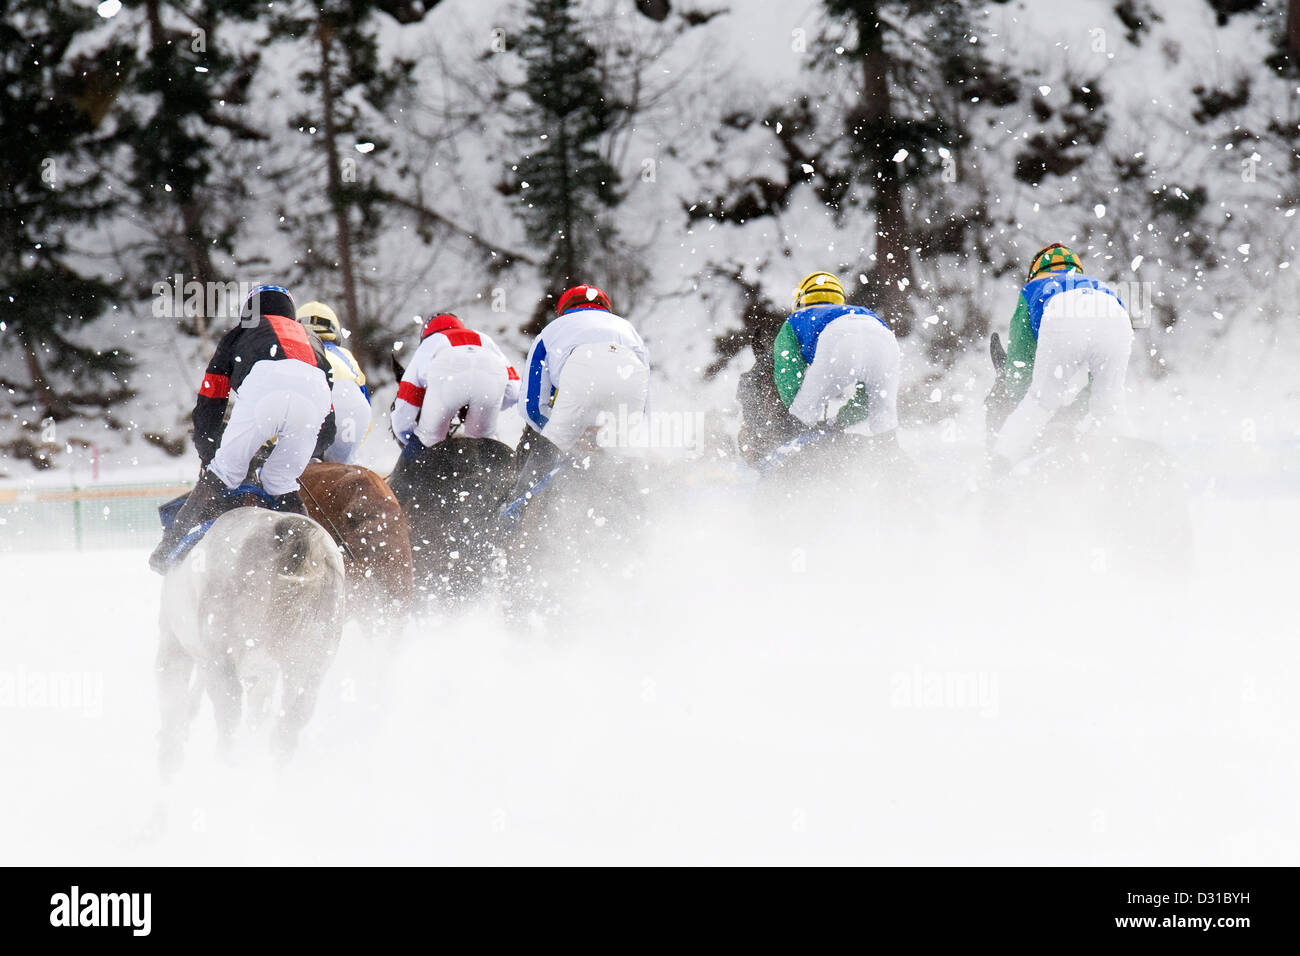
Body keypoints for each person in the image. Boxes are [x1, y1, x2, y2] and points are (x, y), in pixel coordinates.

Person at [149, 285, 335, 573]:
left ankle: (167, 548)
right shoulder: (312, 340)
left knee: (225, 472)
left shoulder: (239, 334)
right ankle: (312, 556)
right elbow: (327, 428)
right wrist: (295, 453)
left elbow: (211, 401)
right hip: (314, 397)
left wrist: (210, 453)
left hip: (264, 387)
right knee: (281, 481)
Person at [504, 284, 650, 513]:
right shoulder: (628, 329)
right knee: (623, 461)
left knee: (537, 464)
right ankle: (642, 517)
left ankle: (510, 519)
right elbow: (642, 406)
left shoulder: (553, 330)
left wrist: (561, 435)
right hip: (628, 381)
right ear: (606, 309)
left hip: (581, 375)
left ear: (564, 310)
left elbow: (532, 405)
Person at [988, 243, 1134, 468]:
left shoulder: (1032, 289)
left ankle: (996, 471)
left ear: (1035, 272)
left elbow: (1020, 362)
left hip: (1062, 314)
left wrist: (1024, 402)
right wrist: (1072, 413)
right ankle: (1129, 469)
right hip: (1115, 313)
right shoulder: (1098, 286)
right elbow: (1097, 387)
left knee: (1039, 402)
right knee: (1109, 404)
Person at [772, 271, 901, 442]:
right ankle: (892, 455)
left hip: (837, 337)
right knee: (884, 419)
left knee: (802, 413)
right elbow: (865, 403)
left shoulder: (795, 319)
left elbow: (787, 372)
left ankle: (798, 459)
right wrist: (839, 422)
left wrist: (795, 411)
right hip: (884, 338)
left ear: (800, 301)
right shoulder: (860, 312)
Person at [390, 313, 520, 456]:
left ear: (425, 336)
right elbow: (514, 392)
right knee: (484, 446)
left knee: (428, 442)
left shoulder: (429, 344)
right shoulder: (485, 339)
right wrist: (477, 407)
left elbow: (406, 401)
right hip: (491, 378)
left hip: (447, 381)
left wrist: (409, 439)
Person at [297, 300, 371, 464]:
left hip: (313, 414)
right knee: (346, 469)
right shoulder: (346, 356)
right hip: (352, 414)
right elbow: (366, 407)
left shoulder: (294, 353)